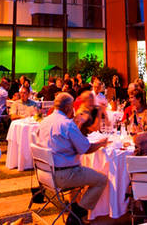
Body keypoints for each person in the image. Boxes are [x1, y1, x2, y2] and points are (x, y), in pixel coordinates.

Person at [36, 93, 108, 225]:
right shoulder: (67, 124)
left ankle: (74, 209)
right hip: (64, 175)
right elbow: (85, 148)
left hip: (44, 174)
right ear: (68, 108)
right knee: (101, 179)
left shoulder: (45, 121)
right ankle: (77, 215)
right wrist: (101, 143)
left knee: (83, 171)